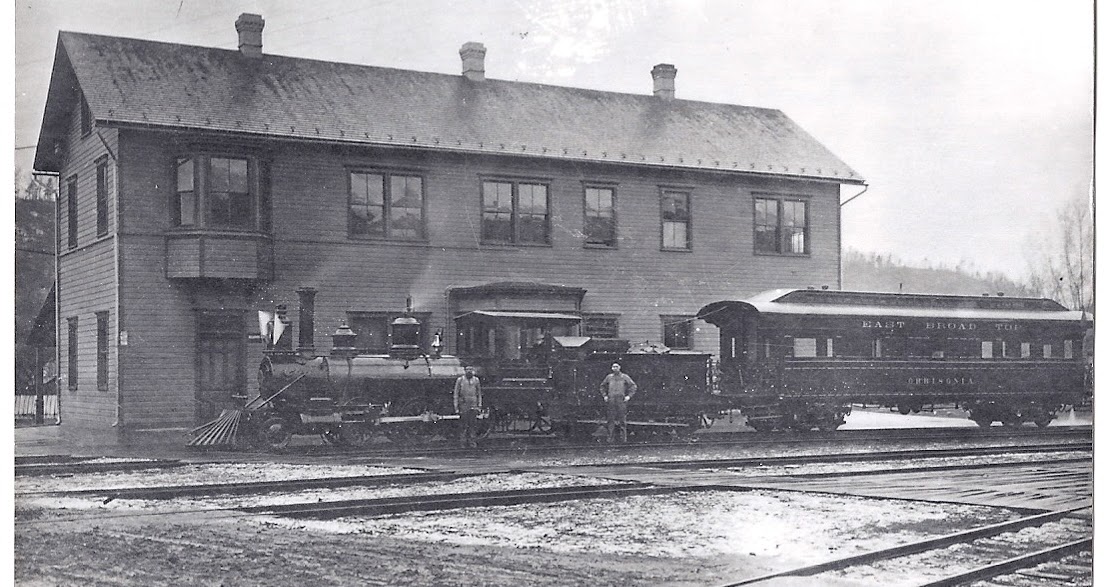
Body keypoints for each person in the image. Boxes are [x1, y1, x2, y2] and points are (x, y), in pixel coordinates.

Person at [600, 363, 637, 443]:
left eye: (616, 367)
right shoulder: (609, 377)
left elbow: (633, 386)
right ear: (611, 368)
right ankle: (610, 439)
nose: (615, 368)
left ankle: (623, 439)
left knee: (622, 420)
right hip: (611, 401)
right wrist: (605, 396)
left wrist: (629, 396)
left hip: (621, 401)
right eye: (613, 367)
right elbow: (602, 386)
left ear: (619, 367)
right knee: (610, 420)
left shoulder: (624, 377)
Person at [454, 366, 483, 447]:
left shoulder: (476, 380)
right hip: (464, 405)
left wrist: (479, 405)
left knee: (473, 425)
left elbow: (479, 393)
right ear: (465, 371)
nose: (469, 371)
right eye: (467, 369)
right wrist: (456, 407)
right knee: (463, 425)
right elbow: (456, 394)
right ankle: (462, 442)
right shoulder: (460, 380)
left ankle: (472, 442)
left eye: (471, 369)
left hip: (473, 405)